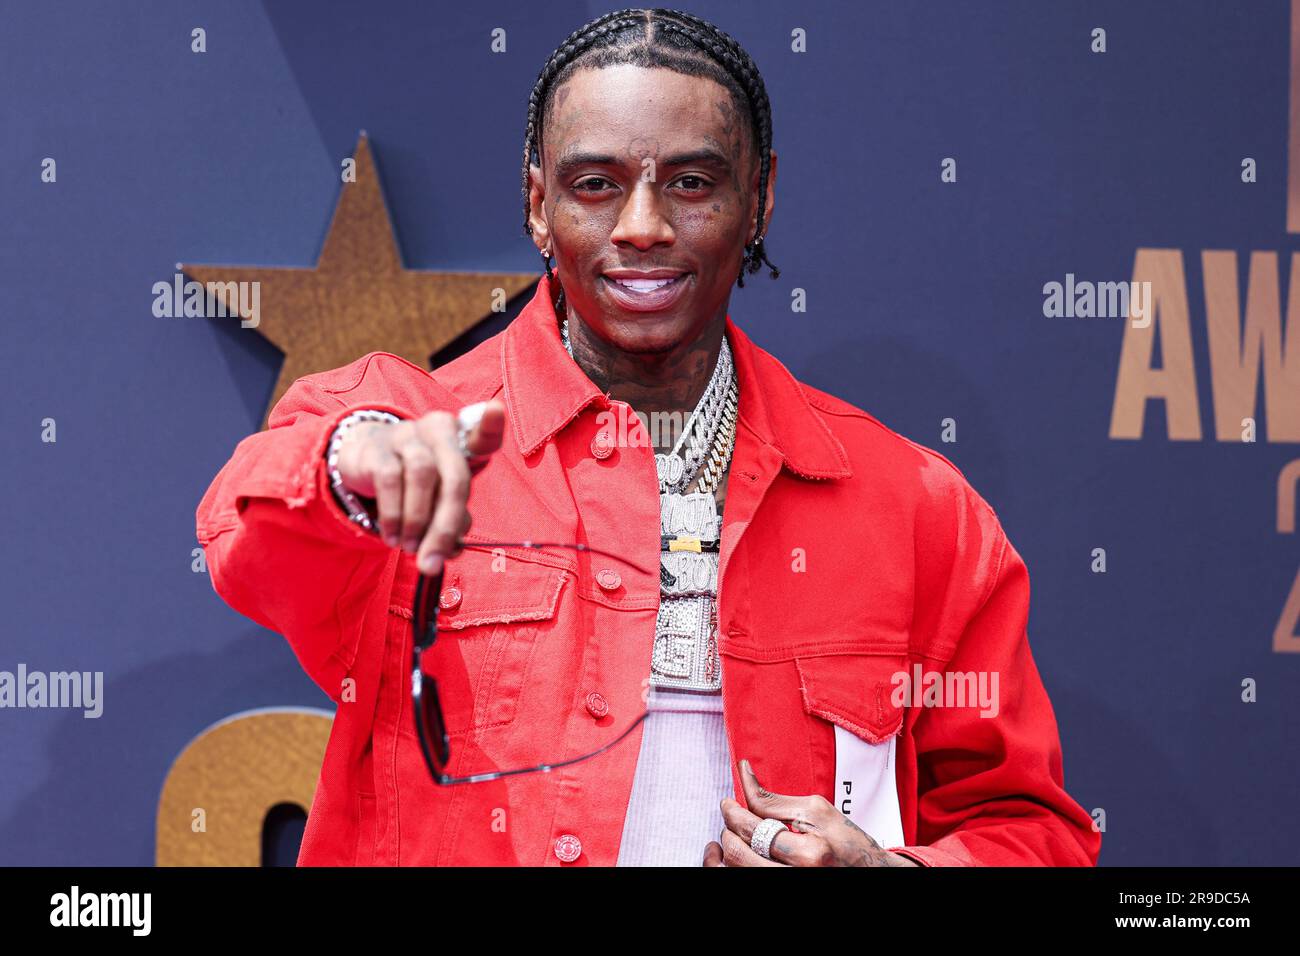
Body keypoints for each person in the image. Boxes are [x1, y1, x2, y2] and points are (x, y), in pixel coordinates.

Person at [196, 7, 1100, 867]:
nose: (643, 227)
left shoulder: (912, 508)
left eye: (692, 183)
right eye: (596, 186)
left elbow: (1030, 830)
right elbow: (247, 536)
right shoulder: (418, 428)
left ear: (762, 199)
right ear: (538, 204)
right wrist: (354, 463)